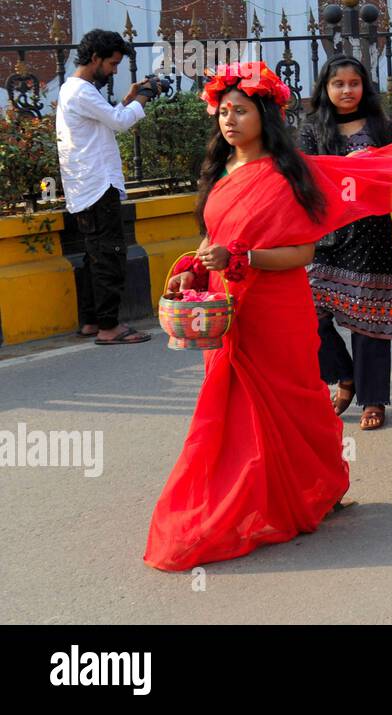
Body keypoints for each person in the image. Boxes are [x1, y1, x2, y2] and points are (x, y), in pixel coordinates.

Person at [145, 64, 347, 570]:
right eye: (224, 111)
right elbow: (211, 239)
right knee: (231, 405)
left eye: (240, 110)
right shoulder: (220, 173)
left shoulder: (286, 175)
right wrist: (193, 270)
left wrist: (245, 259)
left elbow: (303, 251)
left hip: (276, 307)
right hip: (226, 305)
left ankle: (316, 485)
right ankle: (250, 492)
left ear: (265, 116)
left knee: (293, 398)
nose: (229, 120)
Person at [299, 57, 392, 431]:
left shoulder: (382, 126)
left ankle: (373, 399)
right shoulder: (313, 129)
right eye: (338, 84)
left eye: (354, 83)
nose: (347, 91)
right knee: (309, 316)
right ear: (326, 89)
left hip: (372, 233)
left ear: (364, 86)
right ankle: (345, 376)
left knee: (369, 322)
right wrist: (345, 165)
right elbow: (304, 176)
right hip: (327, 236)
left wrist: (373, 166)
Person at [56, 29, 159, 345]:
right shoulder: (82, 92)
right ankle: (109, 327)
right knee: (110, 255)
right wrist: (145, 96)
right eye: (113, 63)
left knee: (94, 256)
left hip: (86, 186)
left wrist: (129, 99)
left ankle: (91, 321)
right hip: (98, 185)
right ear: (96, 58)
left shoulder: (75, 90)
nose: (114, 70)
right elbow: (120, 122)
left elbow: (108, 118)